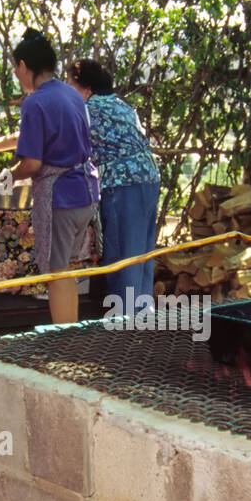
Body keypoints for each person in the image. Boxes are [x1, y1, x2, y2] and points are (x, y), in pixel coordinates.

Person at [0, 29, 100, 324]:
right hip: (85, 194)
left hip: (60, 196)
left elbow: (32, 163)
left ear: (25, 66)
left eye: (16, 67)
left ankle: (63, 340)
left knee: (56, 273)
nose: (15, 73)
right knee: (66, 270)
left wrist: (9, 177)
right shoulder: (70, 94)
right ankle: (67, 334)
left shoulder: (35, 103)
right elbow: (30, 136)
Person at [65, 58, 161, 312]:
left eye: (70, 84)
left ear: (85, 88)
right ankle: (142, 314)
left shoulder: (89, 108)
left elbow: (46, 136)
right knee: (141, 255)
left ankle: (127, 324)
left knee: (123, 256)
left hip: (123, 184)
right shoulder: (120, 105)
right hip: (148, 179)